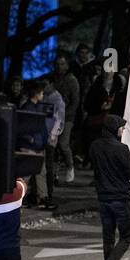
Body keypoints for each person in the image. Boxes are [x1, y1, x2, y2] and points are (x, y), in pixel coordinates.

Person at [89, 113, 130, 260]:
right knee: (125, 236)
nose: (123, 130)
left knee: (108, 237)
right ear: (115, 128)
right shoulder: (121, 148)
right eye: (121, 127)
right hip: (120, 198)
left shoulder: (95, 146)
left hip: (103, 197)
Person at [17, 79, 63, 211]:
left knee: (39, 173)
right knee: (28, 174)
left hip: (37, 145)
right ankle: (22, 198)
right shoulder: (29, 108)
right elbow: (26, 128)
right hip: (31, 146)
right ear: (37, 94)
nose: (43, 95)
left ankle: (42, 198)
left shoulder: (35, 107)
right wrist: (31, 141)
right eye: (41, 93)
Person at [52, 52, 81, 184]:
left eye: (62, 64)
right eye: (58, 64)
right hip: (53, 116)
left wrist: (66, 116)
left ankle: (70, 166)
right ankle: (54, 173)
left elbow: (75, 101)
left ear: (67, 65)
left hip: (67, 117)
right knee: (53, 145)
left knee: (63, 144)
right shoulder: (53, 79)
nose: (59, 67)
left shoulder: (71, 80)